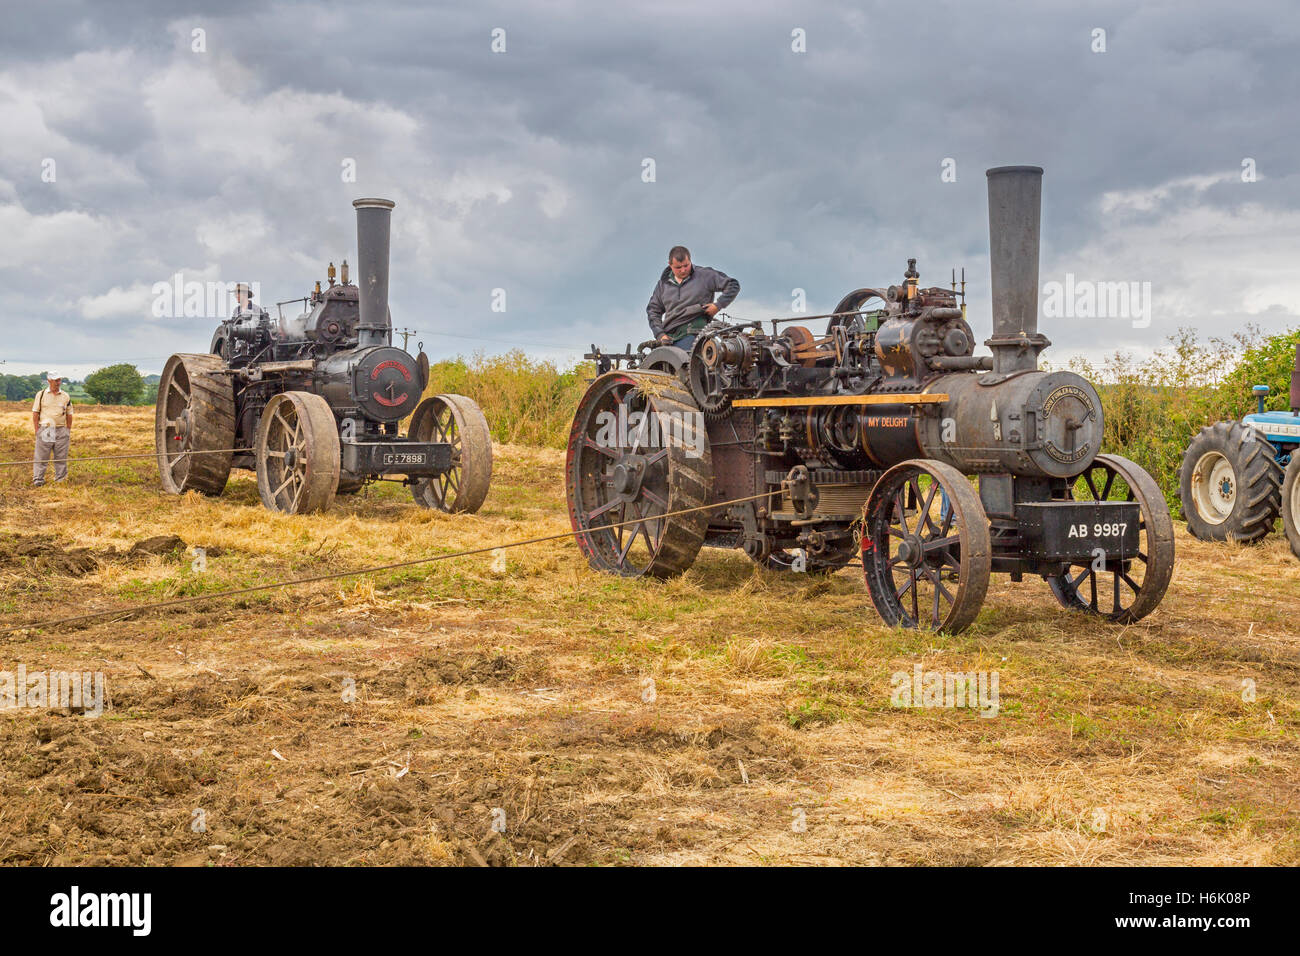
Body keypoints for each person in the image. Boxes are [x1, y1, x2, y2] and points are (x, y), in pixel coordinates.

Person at [646, 246, 739, 351]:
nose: (683, 270)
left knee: (687, 362)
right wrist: (660, 334)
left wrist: (718, 305)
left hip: (695, 333)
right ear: (670, 265)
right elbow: (653, 310)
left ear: (690, 261)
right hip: (670, 336)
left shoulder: (705, 275)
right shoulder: (662, 285)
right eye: (678, 267)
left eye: (686, 265)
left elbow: (733, 285)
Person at [32, 371, 73, 486]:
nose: (58, 382)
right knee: (42, 456)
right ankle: (38, 480)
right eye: (56, 380)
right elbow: (35, 413)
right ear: (49, 380)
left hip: (61, 429)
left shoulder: (65, 396)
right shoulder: (41, 395)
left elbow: (70, 414)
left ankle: (61, 479)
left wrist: (67, 430)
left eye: (59, 380)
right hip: (46, 428)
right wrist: (37, 430)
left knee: (61, 456)